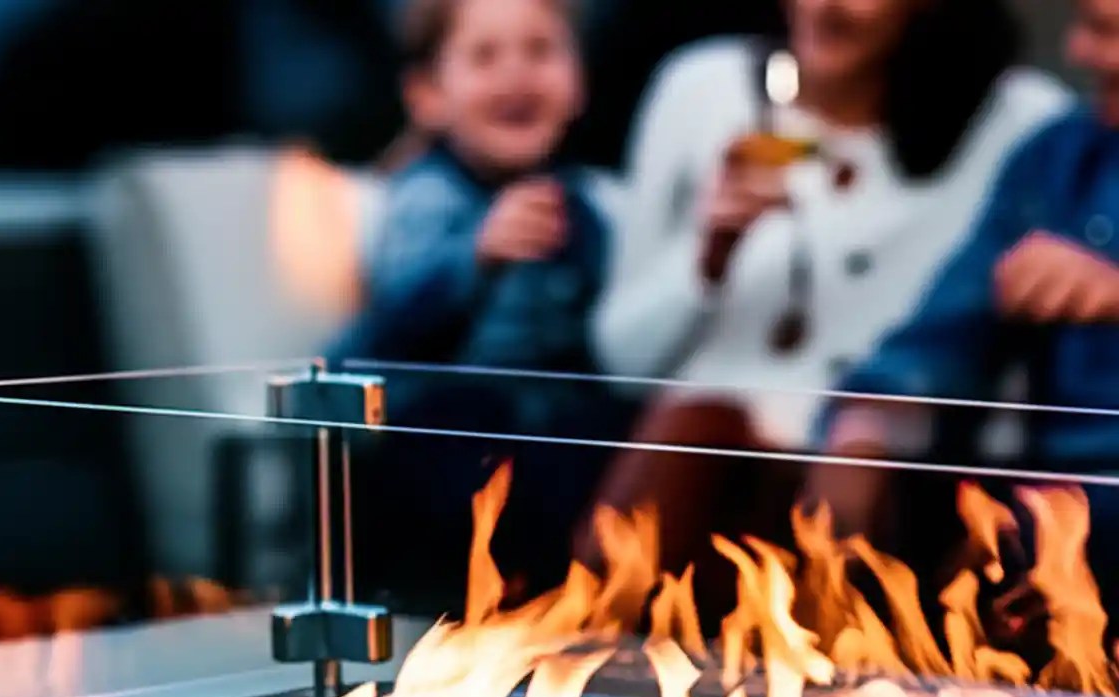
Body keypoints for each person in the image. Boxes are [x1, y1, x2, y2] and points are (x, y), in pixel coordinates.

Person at [578, 0, 1070, 621]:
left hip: (897, 475)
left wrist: (866, 431)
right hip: (703, 471)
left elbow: (1004, 353)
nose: (824, 6)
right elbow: (620, 361)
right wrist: (705, 259)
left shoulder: (1019, 120)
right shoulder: (701, 89)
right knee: (696, 429)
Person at [332, 0, 615, 612]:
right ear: (428, 95)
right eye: (485, 56)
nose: (517, 76)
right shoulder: (423, 198)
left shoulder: (589, 201)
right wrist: (476, 257)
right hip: (442, 435)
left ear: (577, 82)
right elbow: (392, 326)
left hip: (554, 432)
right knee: (466, 422)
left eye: (540, 51)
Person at [814, 0, 1119, 544]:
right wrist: (867, 422)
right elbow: (946, 330)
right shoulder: (1057, 155)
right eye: (1082, 25)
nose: (1079, 52)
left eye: (1107, 31)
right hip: (1056, 515)